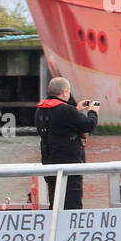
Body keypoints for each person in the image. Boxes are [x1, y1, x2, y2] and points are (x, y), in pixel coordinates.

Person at [35, 77, 98, 210]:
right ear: (64, 92)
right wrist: (93, 112)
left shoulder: (40, 110)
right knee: (72, 206)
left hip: (49, 164)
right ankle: (70, 230)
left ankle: (54, 229)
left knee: (56, 203)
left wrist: (76, 109)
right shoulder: (67, 111)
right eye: (68, 92)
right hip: (69, 167)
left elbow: (60, 125)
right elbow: (88, 125)